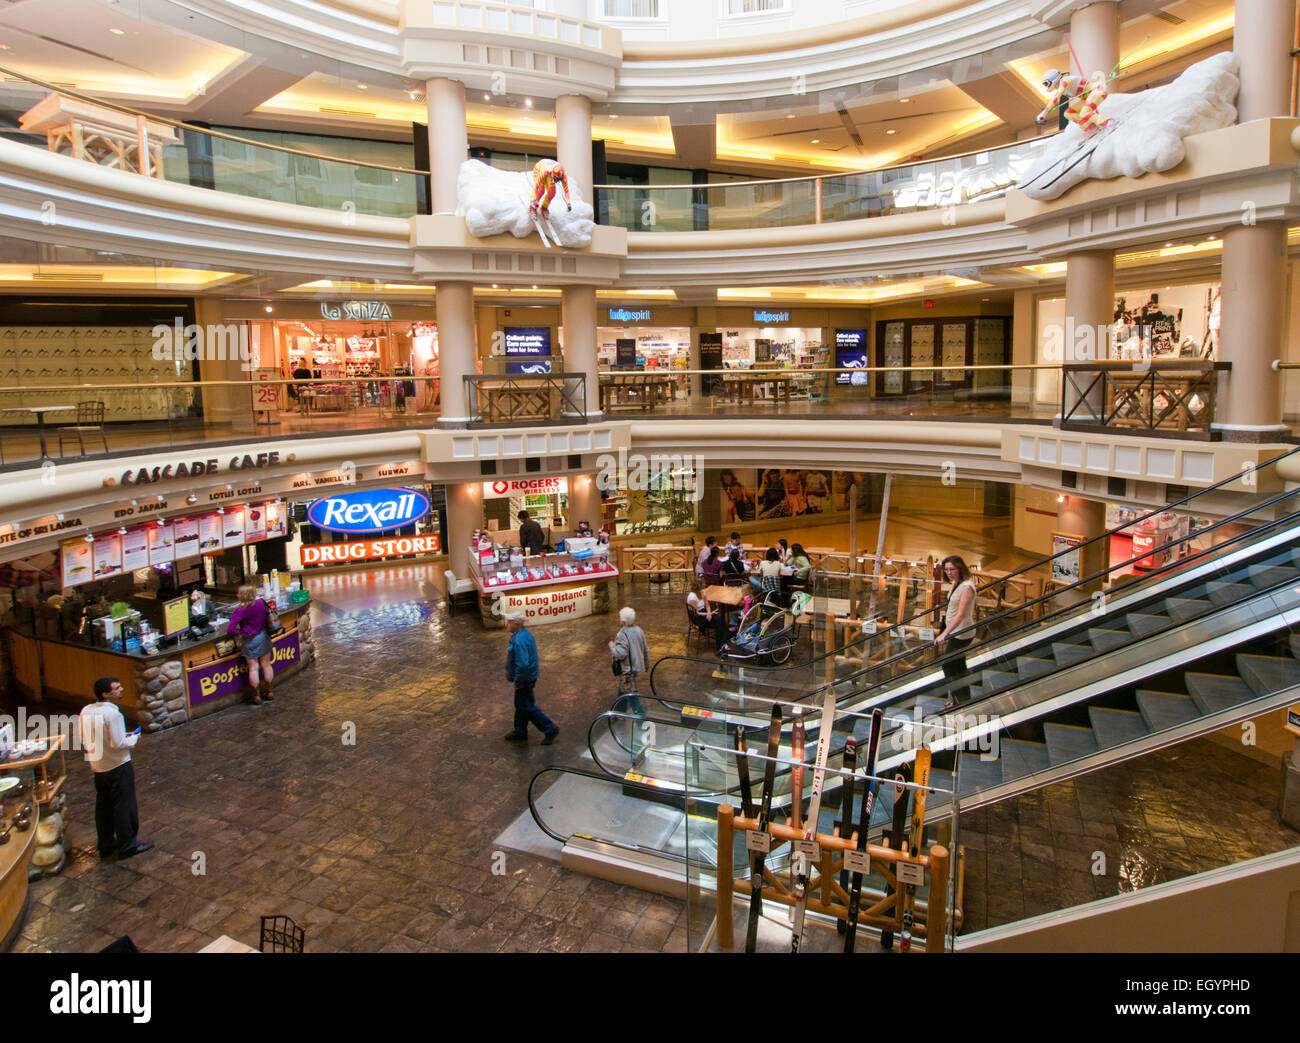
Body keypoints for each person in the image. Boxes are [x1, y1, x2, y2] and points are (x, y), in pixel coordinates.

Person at [80, 677, 152, 860]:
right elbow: (118, 743)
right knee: (124, 805)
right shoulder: (113, 714)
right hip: (118, 765)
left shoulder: (86, 710)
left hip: (98, 766)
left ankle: (106, 844)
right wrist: (134, 738)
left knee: (103, 807)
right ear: (106, 694)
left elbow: (85, 737)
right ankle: (128, 844)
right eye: (117, 688)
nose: (122, 689)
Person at [503, 612, 558, 744]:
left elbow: (522, 664)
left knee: (526, 706)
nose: (507, 624)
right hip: (530, 676)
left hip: (524, 679)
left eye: (509, 622)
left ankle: (550, 728)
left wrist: (518, 680)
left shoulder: (519, 640)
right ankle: (520, 730)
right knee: (521, 704)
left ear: (516, 623)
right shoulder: (525, 634)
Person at [935, 555, 978, 704]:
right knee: (958, 666)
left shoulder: (966, 587)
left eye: (952, 569)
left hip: (961, 633)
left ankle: (958, 700)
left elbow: (961, 615)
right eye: (946, 570)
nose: (949, 573)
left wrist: (944, 634)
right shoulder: (957, 583)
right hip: (955, 631)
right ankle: (960, 699)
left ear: (960, 568)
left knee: (948, 665)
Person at [227, 585, 275, 704]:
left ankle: (256, 696)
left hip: (250, 641)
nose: (237, 595)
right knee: (266, 665)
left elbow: (230, 629)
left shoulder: (240, 610)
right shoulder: (261, 603)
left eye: (239, 593)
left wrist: (242, 632)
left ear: (243, 596)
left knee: (253, 668)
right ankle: (270, 692)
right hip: (263, 637)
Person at [610, 607, 650, 717]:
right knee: (623, 689)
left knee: (631, 695)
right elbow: (645, 649)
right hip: (636, 666)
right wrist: (646, 664)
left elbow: (620, 654)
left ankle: (641, 717)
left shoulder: (622, 634)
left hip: (627, 669)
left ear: (623, 621)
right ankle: (618, 713)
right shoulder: (639, 630)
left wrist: (612, 646)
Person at [688, 584, 731, 652]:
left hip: (705, 612)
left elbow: (707, 604)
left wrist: (709, 612)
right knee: (718, 621)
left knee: (719, 619)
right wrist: (710, 614)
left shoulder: (702, 592)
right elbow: (697, 613)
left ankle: (722, 644)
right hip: (698, 618)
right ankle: (722, 645)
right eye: (702, 585)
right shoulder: (691, 597)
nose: (704, 586)